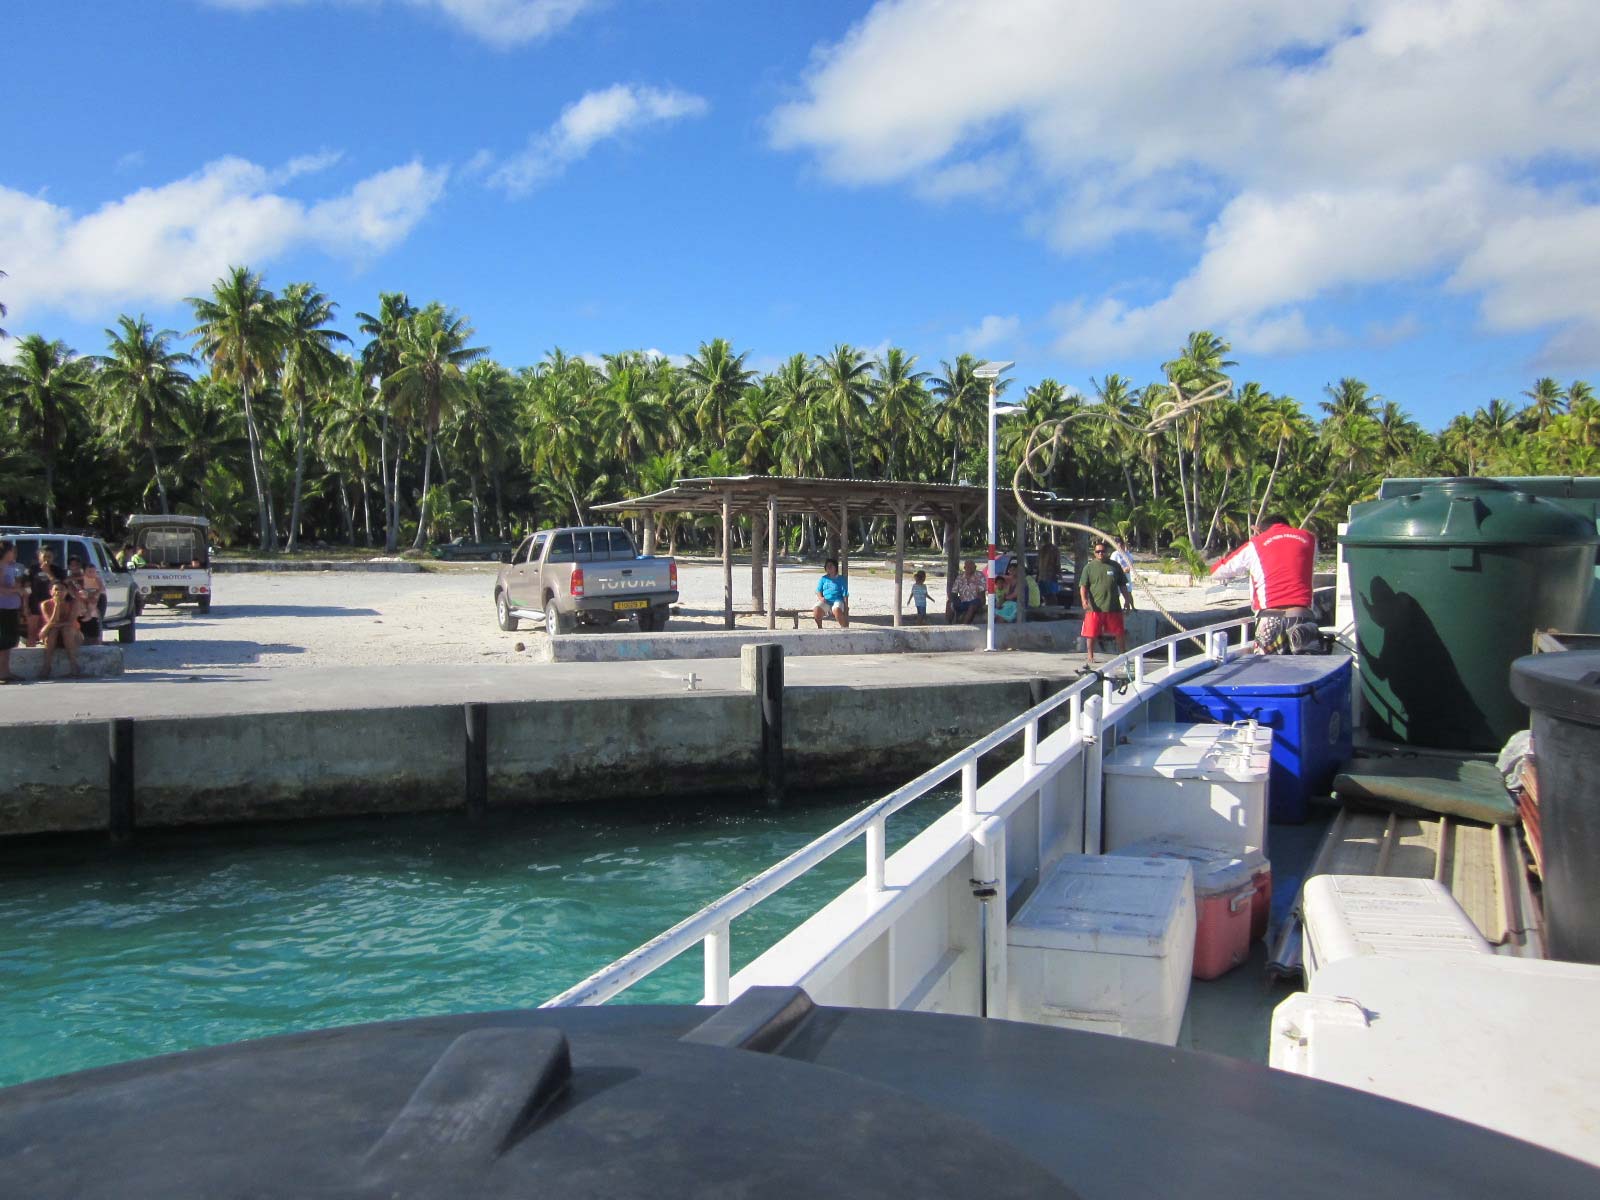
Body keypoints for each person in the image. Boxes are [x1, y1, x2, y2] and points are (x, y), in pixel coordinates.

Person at [1211, 514, 1320, 654]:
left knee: (1267, 669)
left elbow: (1217, 572)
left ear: (1259, 530)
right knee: (1309, 670)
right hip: (1301, 614)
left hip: (1269, 617)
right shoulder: (1310, 539)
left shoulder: (1255, 544)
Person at [1079, 540, 1133, 665]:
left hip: (1113, 606)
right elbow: (1083, 586)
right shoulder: (1089, 567)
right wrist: (1084, 600)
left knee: (1119, 632)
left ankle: (1122, 654)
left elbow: (1123, 585)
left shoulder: (1115, 566)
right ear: (1094, 553)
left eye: (1103, 551)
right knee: (1091, 633)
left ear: (1107, 552)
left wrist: (1127, 600)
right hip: (1095, 608)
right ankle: (1090, 655)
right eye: (1098, 551)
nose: (1100, 554)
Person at [39, 579, 83, 679]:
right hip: (53, 637)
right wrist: (57, 605)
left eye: (62, 589)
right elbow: (51, 621)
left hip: (72, 636)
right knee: (53, 632)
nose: (59, 592)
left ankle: (74, 666)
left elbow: (71, 622)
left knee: (66, 630)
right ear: (51, 591)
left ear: (67, 591)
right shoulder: (45, 604)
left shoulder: (74, 603)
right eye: (56, 589)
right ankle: (47, 666)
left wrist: (54, 626)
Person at [25, 548, 64, 646]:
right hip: (34, 604)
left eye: (49, 557)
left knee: (48, 633)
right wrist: (25, 605)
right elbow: (26, 587)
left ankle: (47, 655)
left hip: (50, 606)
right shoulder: (32, 569)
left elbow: (59, 585)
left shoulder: (58, 570)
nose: (47, 559)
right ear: (39, 557)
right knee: (32, 633)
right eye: (45, 556)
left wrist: (48, 573)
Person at [0, 542, 27, 684]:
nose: (14, 553)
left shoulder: (12, 567)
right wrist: (16, 591)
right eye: (12, 550)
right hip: (2, 608)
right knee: (2, 642)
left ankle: (6, 672)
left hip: (11, 608)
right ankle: (1, 674)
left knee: (9, 642)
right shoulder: (1, 567)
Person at [69, 558, 103, 644]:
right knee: (82, 595)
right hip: (83, 599)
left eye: (93, 571)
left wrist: (95, 594)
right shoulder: (77, 579)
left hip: (93, 595)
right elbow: (76, 590)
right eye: (89, 572)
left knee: (92, 604)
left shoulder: (96, 578)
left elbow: (101, 588)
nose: (92, 574)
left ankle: (89, 614)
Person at [812, 558, 849, 628]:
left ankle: (844, 628)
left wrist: (846, 606)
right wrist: (821, 598)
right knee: (816, 610)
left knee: (837, 610)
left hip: (837, 600)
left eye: (831, 565)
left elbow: (845, 594)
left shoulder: (841, 579)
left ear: (835, 567)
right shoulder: (823, 578)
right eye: (827, 566)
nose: (829, 567)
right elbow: (818, 590)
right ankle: (820, 628)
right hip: (826, 600)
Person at [948, 559, 984, 624]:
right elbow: (954, 592)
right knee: (949, 603)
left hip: (974, 600)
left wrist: (981, 604)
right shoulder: (960, 577)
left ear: (975, 567)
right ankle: (949, 625)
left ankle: (964, 626)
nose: (969, 568)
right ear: (964, 568)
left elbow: (982, 593)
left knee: (972, 605)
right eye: (968, 567)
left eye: (971, 567)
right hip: (962, 600)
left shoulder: (980, 576)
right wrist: (953, 601)